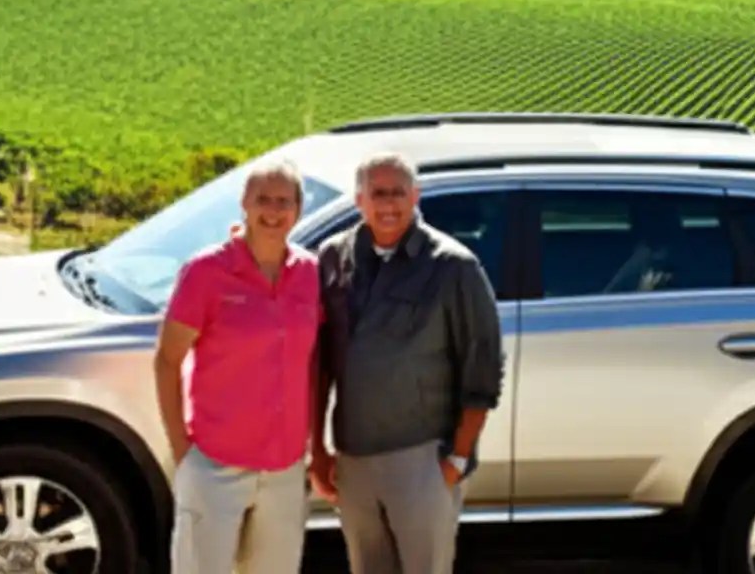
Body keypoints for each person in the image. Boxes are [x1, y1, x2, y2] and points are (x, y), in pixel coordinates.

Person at [309, 151, 505, 574]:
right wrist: (318, 451)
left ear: (415, 197)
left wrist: (457, 458)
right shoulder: (331, 258)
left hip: (422, 457)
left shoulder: (453, 266)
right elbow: (321, 362)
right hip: (353, 458)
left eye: (399, 192)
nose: (389, 204)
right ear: (358, 199)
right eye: (378, 193)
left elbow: (484, 367)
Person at [154, 158, 321, 574]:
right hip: (215, 464)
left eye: (284, 201)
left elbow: (315, 363)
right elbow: (167, 361)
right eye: (263, 199)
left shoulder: (311, 273)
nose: (273, 210)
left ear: (298, 209)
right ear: (244, 204)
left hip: (284, 469)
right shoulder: (205, 272)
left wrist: (315, 445)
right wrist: (183, 451)